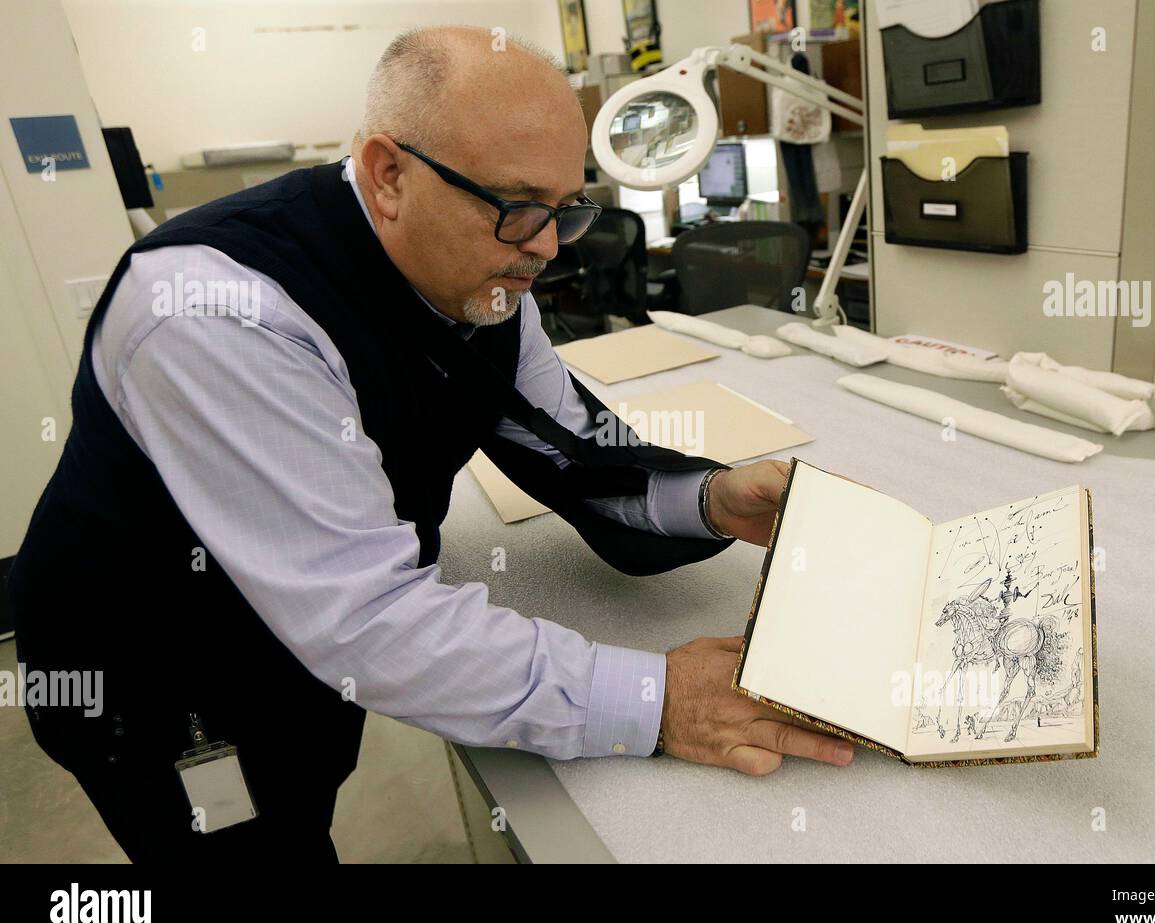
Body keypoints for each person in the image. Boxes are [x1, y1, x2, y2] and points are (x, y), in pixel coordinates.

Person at [9, 25, 853, 864]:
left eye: (566, 209)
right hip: (158, 671)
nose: (548, 249)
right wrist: (656, 696)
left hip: (305, 643)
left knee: (303, 789)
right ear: (389, 175)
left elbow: (567, 447)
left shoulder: (487, 271)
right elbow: (366, 618)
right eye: (521, 207)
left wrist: (710, 498)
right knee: (245, 838)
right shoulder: (214, 310)